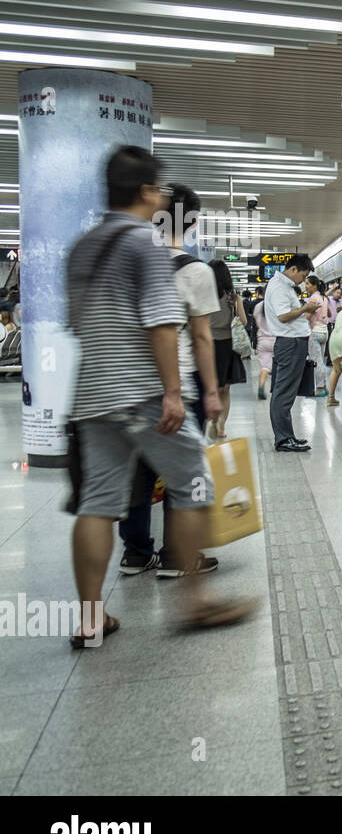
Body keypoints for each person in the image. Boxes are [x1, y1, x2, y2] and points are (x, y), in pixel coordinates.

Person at [64, 145, 255, 643]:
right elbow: (162, 325)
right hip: (144, 390)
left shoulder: (82, 247)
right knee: (193, 484)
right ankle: (196, 603)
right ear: (148, 192)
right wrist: (174, 392)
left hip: (92, 395)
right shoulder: (144, 245)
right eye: (156, 190)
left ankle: (90, 619)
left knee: (98, 502)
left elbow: (76, 323)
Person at [118, 183, 223, 578]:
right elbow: (200, 339)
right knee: (185, 472)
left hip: (133, 385)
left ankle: (135, 551)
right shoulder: (196, 270)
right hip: (177, 385)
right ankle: (177, 556)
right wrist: (212, 392)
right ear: (192, 222)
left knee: (139, 469)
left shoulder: (132, 264)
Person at [263, 253, 321, 452]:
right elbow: (283, 316)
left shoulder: (284, 286)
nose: (304, 280)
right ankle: (283, 439)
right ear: (293, 269)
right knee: (283, 392)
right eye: (303, 275)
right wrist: (305, 307)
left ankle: (286, 435)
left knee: (284, 391)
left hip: (292, 343)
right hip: (290, 344)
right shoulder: (280, 287)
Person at [207, 258, 248, 440]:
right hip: (228, 345)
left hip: (207, 345)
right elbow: (244, 322)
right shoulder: (233, 295)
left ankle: (212, 420)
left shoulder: (204, 294)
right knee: (225, 390)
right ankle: (221, 427)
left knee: (211, 388)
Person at [304, 274, 330, 395]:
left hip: (314, 332)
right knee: (321, 361)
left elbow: (308, 316)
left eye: (308, 284)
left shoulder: (313, 299)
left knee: (316, 361)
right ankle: (324, 386)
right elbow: (329, 313)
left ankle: (319, 388)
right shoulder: (324, 298)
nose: (306, 287)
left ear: (314, 285)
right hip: (325, 332)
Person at [252, 297, 274, 400]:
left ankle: (261, 387)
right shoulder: (277, 304)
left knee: (265, 367)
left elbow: (257, 323)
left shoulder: (259, 306)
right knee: (279, 366)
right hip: (277, 340)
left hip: (263, 340)